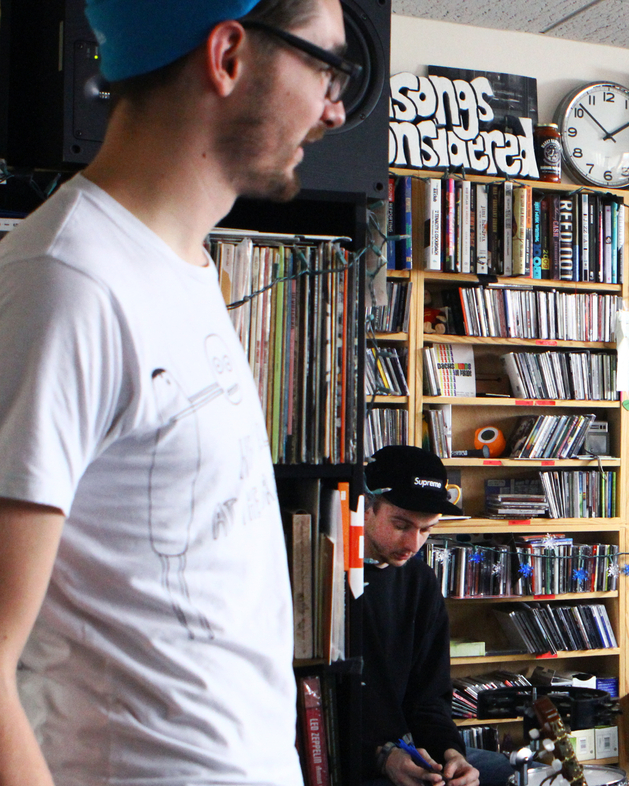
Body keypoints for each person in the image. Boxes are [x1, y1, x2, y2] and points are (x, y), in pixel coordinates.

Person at [0, 0, 348, 784]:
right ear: (228, 55)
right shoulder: (67, 283)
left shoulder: (179, 266)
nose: (333, 110)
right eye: (324, 66)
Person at [355, 445, 513, 786]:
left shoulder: (420, 581)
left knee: (500, 771)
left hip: (405, 749)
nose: (413, 543)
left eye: (427, 530)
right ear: (366, 508)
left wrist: (450, 753)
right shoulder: (323, 574)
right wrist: (380, 757)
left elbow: (429, 697)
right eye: (401, 525)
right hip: (348, 753)